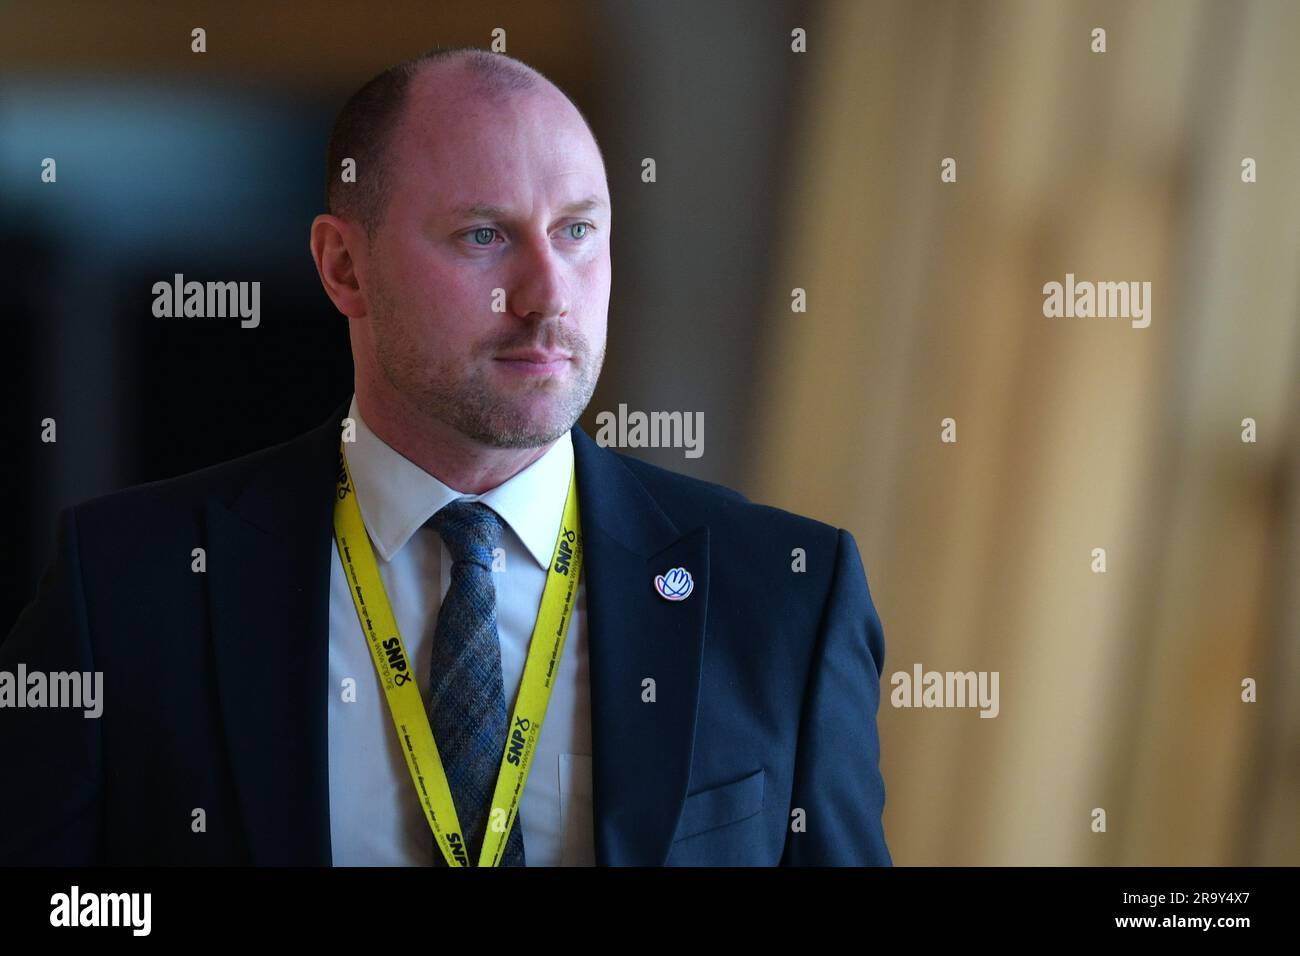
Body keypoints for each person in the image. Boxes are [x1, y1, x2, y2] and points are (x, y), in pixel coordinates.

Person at [0, 47, 891, 866]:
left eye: (577, 230)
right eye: (484, 236)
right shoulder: (126, 587)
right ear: (344, 267)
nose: (548, 296)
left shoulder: (786, 596)